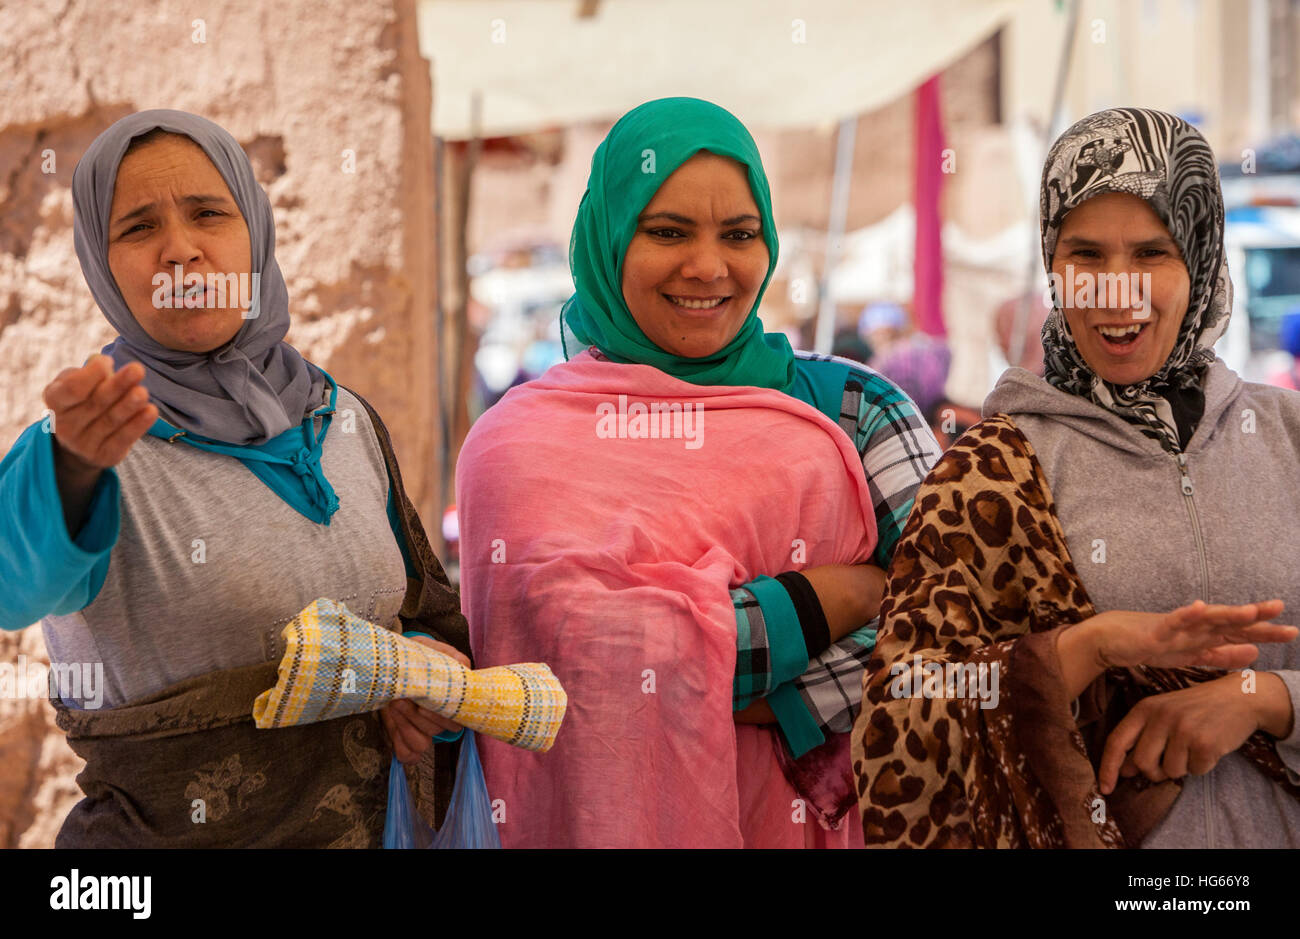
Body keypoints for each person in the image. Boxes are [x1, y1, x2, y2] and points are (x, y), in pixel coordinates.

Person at [456, 97, 941, 847]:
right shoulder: (515, 447)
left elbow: (959, 623)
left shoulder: (855, 407)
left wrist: (765, 699)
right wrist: (825, 599)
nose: (709, 267)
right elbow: (571, 664)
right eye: (667, 232)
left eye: (739, 234)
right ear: (608, 240)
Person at [0, 110, 470, 847]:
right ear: (101, 260)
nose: (181, 252)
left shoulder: (342, 418)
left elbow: (418, 610)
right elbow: (10, 582)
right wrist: (69, 468)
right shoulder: (92, 445)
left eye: (208, 214)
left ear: (255, 229)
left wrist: (419, 680)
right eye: (137, 228)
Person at [852, 107, 1300, 848]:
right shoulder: (991, 470)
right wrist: (1081, 651)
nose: (1116, 292)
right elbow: (903, 707)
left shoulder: (1286, 438)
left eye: (1152, 253)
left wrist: (1267, 698)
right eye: (1085, 255)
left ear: (1200, 255)